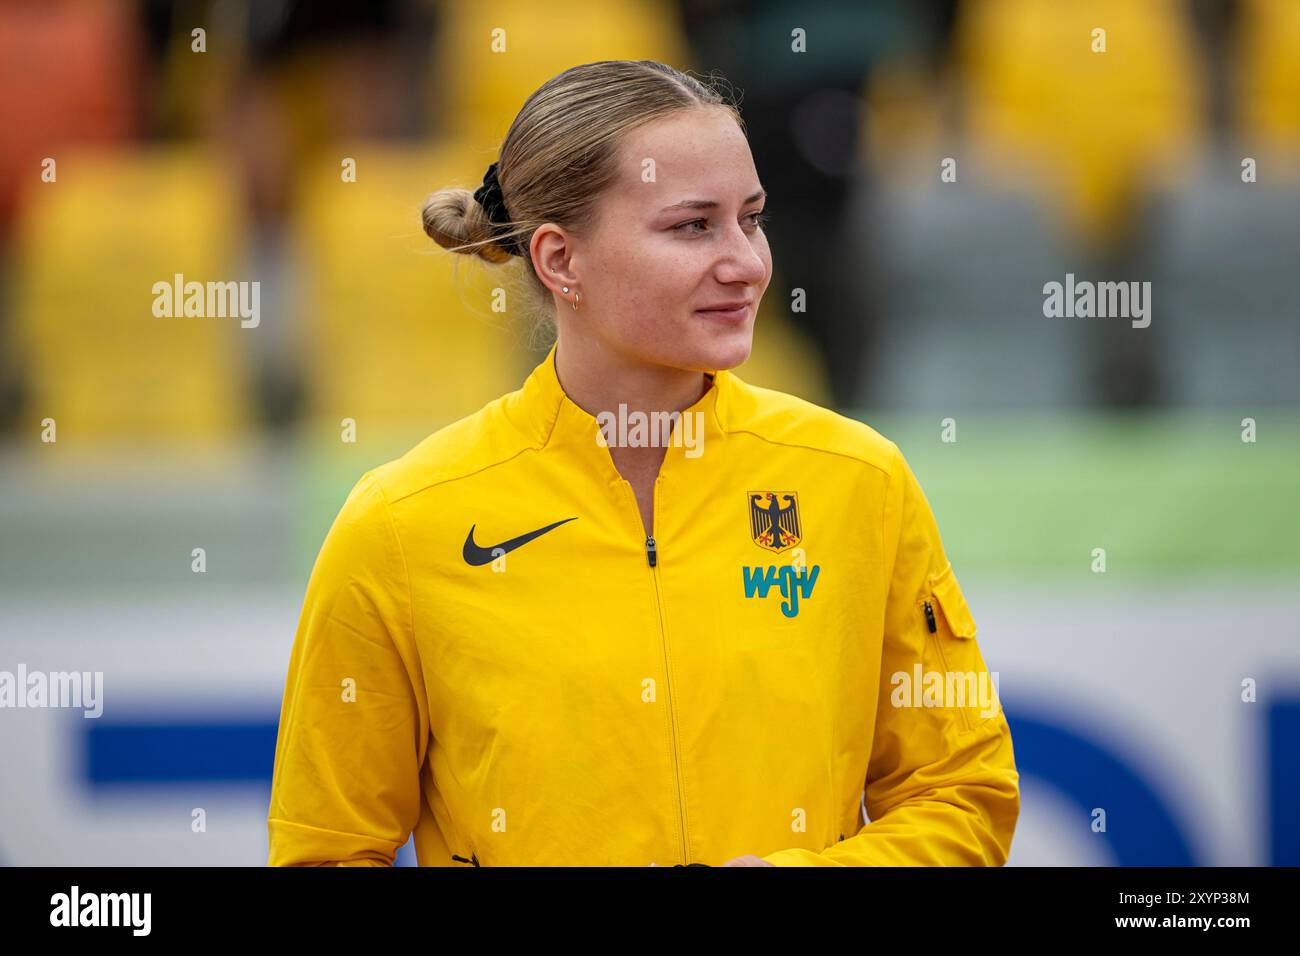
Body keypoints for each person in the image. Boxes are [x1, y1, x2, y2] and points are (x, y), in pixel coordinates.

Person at [267, 59, 1019, 867]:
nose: (746, 263)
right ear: (560, 261)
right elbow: (327, 852)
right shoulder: (400, 525)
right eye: (693, 226)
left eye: (752, 219)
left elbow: (962, 792)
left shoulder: (860, 480)